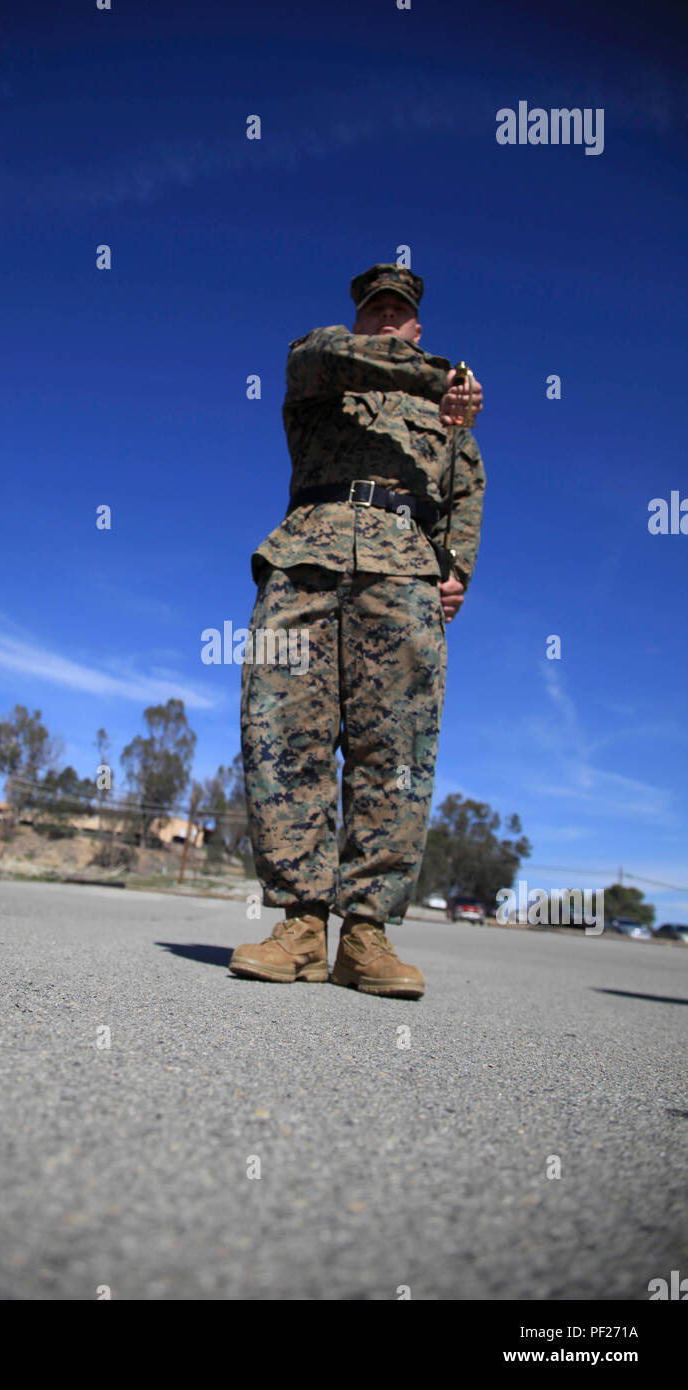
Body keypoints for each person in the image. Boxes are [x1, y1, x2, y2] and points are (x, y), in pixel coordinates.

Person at [230, 263, 485, 998]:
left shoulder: (447, 420)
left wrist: (457, 565)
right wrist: (438, 377)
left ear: (415, 323)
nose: (384, 319)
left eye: (397, 313)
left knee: (394, 752)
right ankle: (301, 927)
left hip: (404, 575)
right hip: (304, 558)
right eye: (374, 308)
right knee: (283, 737)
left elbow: (466, 484)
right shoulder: (324, 366)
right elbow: (315, 357)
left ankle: (366, 936)